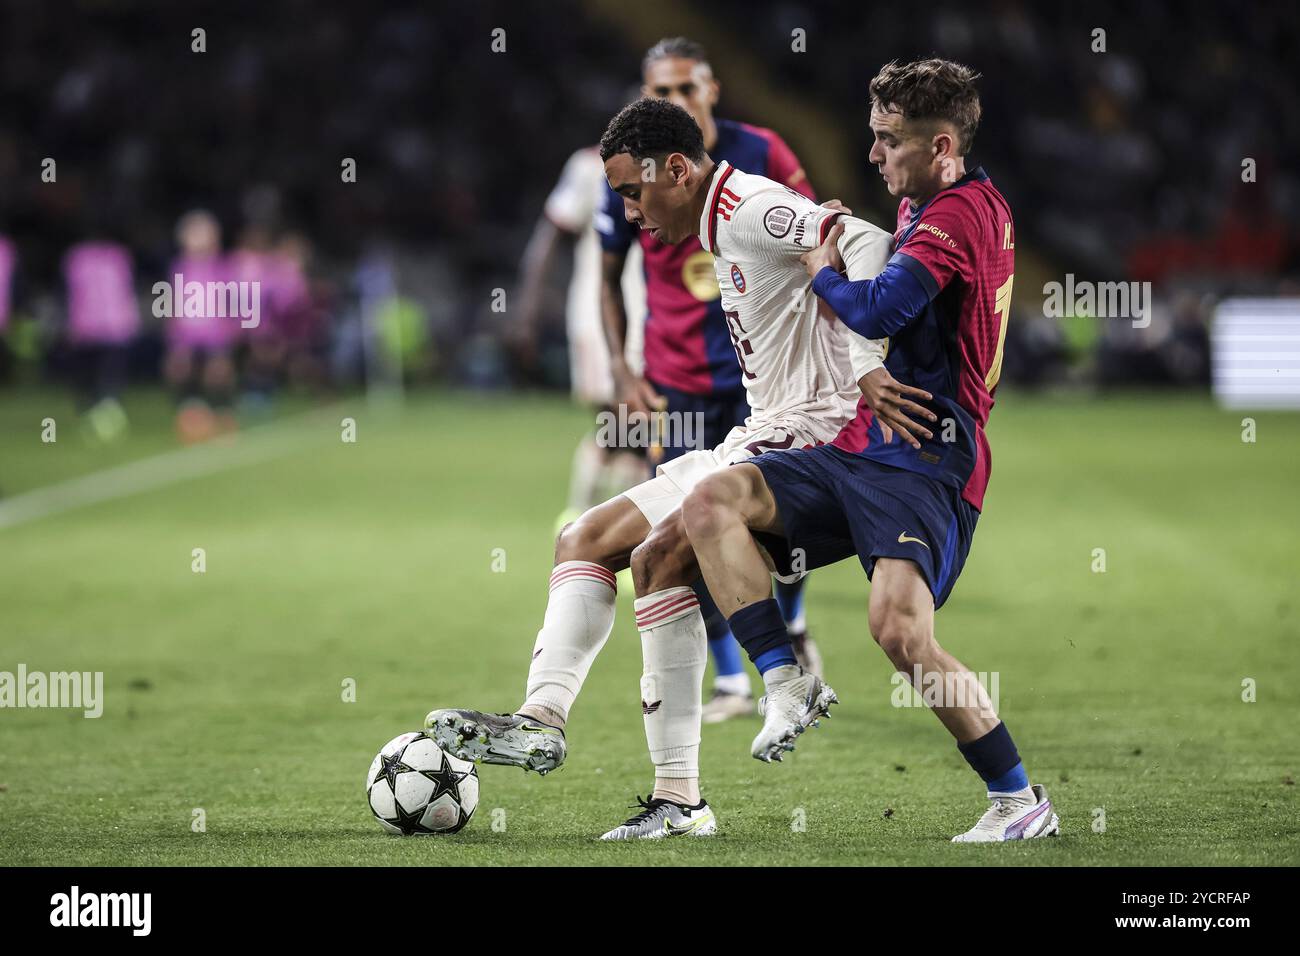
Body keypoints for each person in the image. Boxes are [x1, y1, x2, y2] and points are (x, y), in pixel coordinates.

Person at [427, 97, 894, 840]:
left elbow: (868, 239)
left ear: (677, 169)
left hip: (810, 440)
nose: (630, 211)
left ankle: (757, 709)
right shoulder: (717, 222)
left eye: (632, 192)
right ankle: (550, 725)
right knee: (587, 539)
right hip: (758, 432)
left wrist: (866, 360)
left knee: (655, 557)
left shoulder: (748, 206)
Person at [680, 59, 1059, 842]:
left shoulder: (957, 215)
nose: (876, 155)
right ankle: (783, 679)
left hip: (930, 449)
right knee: (712, 500)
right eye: (875, 136)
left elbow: (879, 301)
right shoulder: (940, 202)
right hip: (866, 439)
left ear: (942, 144)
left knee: (898, 630)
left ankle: (1020, 803)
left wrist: (819, 270)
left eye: (890, 141)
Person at [597, 37, 823, 722]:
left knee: (780, 526)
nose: (675, 101)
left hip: (766, 379)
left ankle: (793, 627)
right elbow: (608, 273)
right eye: (660, 91)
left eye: (686, 88)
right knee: (685, 529)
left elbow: (819, 244)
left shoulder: (762, 157)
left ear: (712, 90)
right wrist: (620, 364)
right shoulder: (631, 174)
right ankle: (731, 681)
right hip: (677, 375)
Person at [514, 145, 648, 532]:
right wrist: (527, 307)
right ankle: (584, 524)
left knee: (634, 432)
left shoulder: (674, 166)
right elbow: (551, 234)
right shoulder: (591, 166)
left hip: (650, 317)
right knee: (620, 424)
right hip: (601, 316)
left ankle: (599, 530)